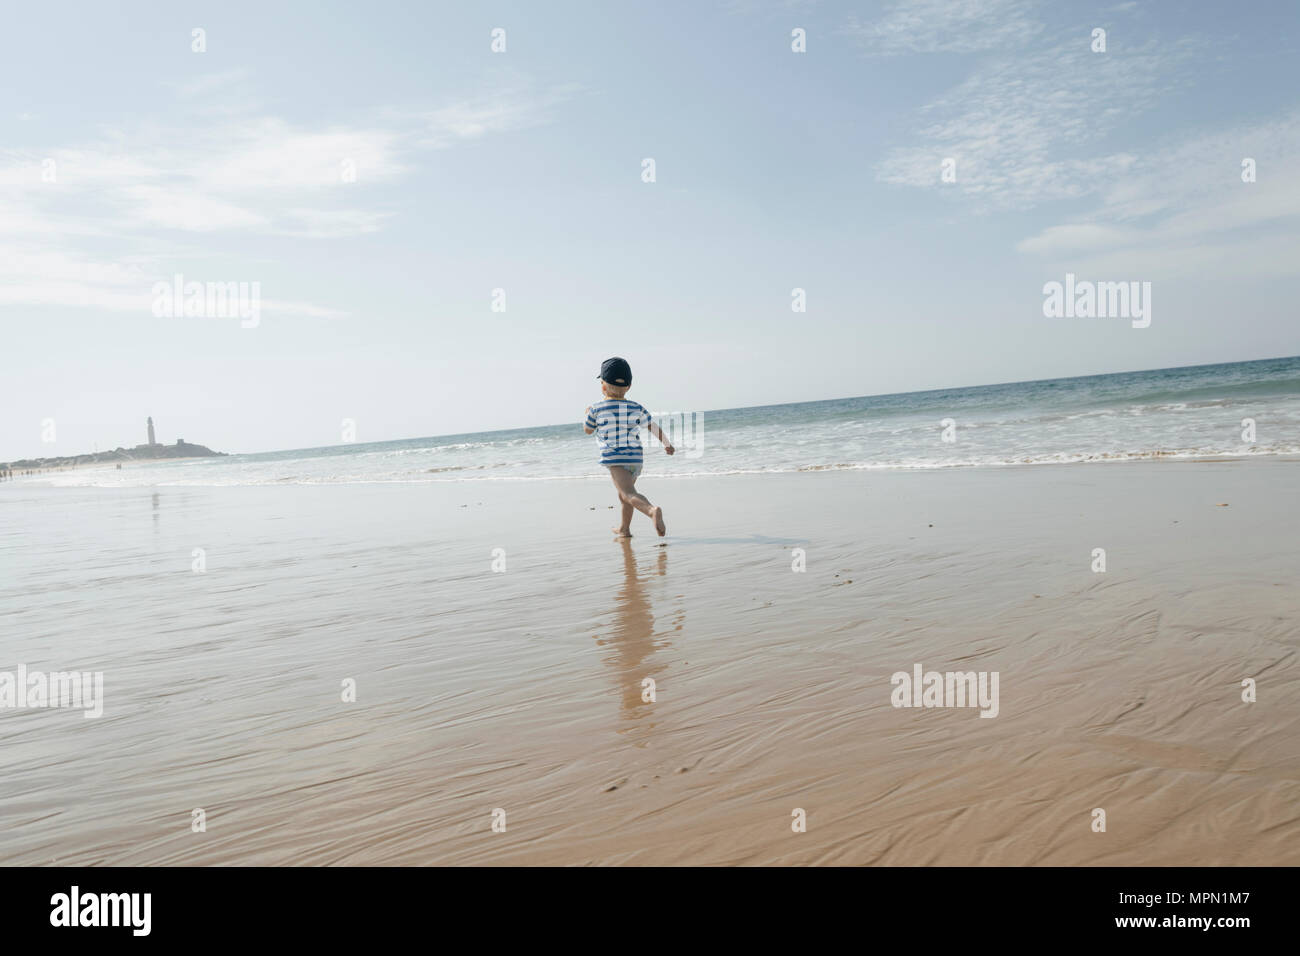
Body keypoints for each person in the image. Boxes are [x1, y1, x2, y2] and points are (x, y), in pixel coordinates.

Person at [584, 357, 674, 537]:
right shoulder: (636, 407)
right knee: (624, 495)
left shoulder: (596, 409)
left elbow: (588, 430)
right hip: (636, 460)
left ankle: (651, 510)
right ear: (629, 386)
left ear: (603, 386)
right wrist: (667, 444)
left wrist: (587, 414)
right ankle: (624, 529)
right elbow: (652, 426)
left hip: (616, 459)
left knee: (627, 493)